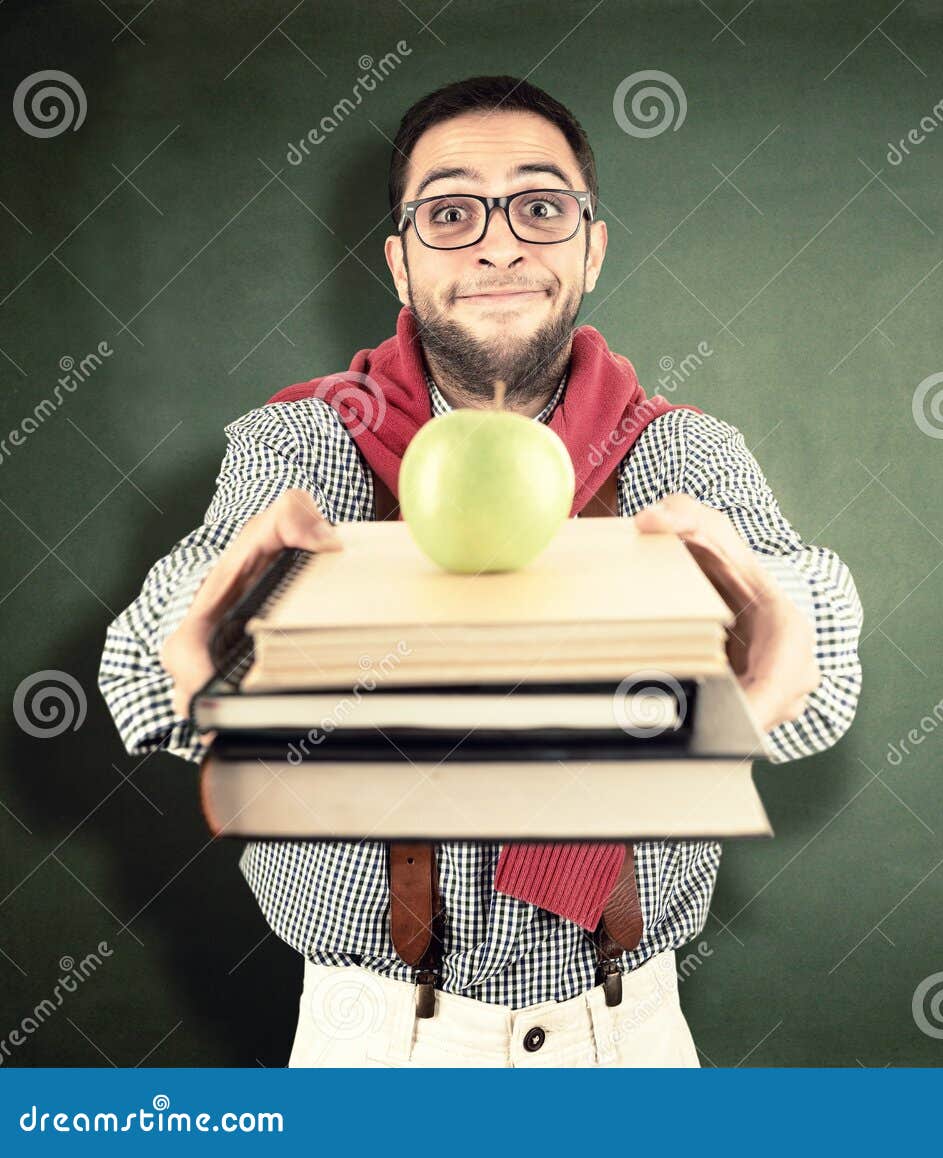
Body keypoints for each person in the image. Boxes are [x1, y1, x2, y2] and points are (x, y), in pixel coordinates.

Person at [97, 76, 864, 1068]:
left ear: (589, 246)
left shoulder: (681, 460)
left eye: (541, 207)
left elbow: (820, 673)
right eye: (451, 212)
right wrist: (201, 640)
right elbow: (139, 684)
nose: (499, 244)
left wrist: (781, 628)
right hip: (374, 1036)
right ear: (401, 263)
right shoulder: (308, 448)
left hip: (625, 1033)